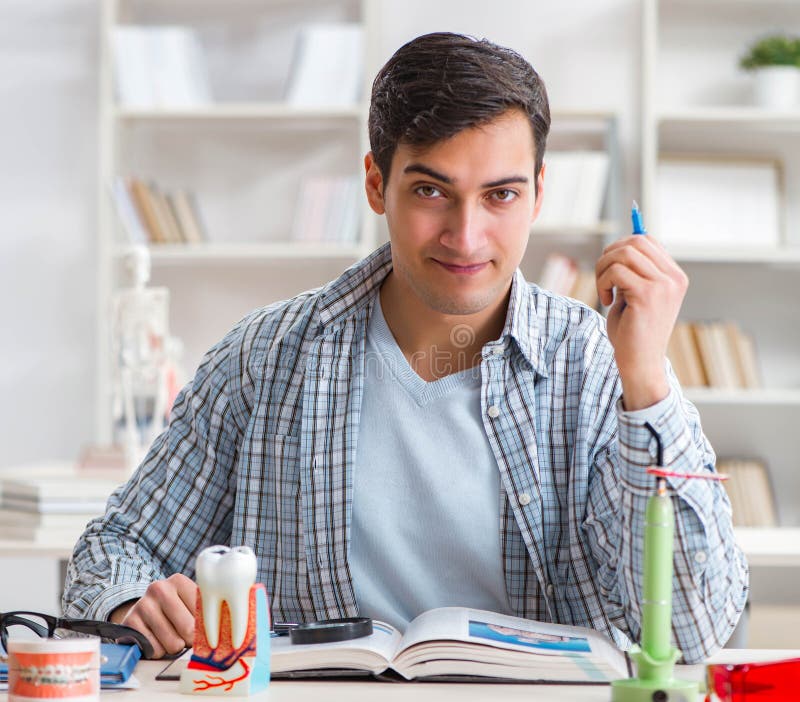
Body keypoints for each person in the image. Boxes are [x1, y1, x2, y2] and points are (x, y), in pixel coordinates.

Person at [63, 32, 748, 663]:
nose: (467, 235)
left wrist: (647, 382)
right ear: (374, 184)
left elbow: (692, 628)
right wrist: (133, 603)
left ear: (539, 193)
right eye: (430, 191)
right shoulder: (262, 358)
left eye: (500, 195)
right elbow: (113, 550)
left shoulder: (601, 367)